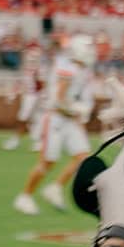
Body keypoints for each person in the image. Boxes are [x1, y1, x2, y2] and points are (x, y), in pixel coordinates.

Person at [14, 34, 97, 215]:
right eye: (88, 48)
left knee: (83, 158)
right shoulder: (67, 66)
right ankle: (25, 196)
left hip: (69, 119)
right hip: (55, 118)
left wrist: (78, 111)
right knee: (48, 162)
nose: (92, 52)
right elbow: (59, 99)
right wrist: (77, 109)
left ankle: (55, 187)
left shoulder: (82, 70)